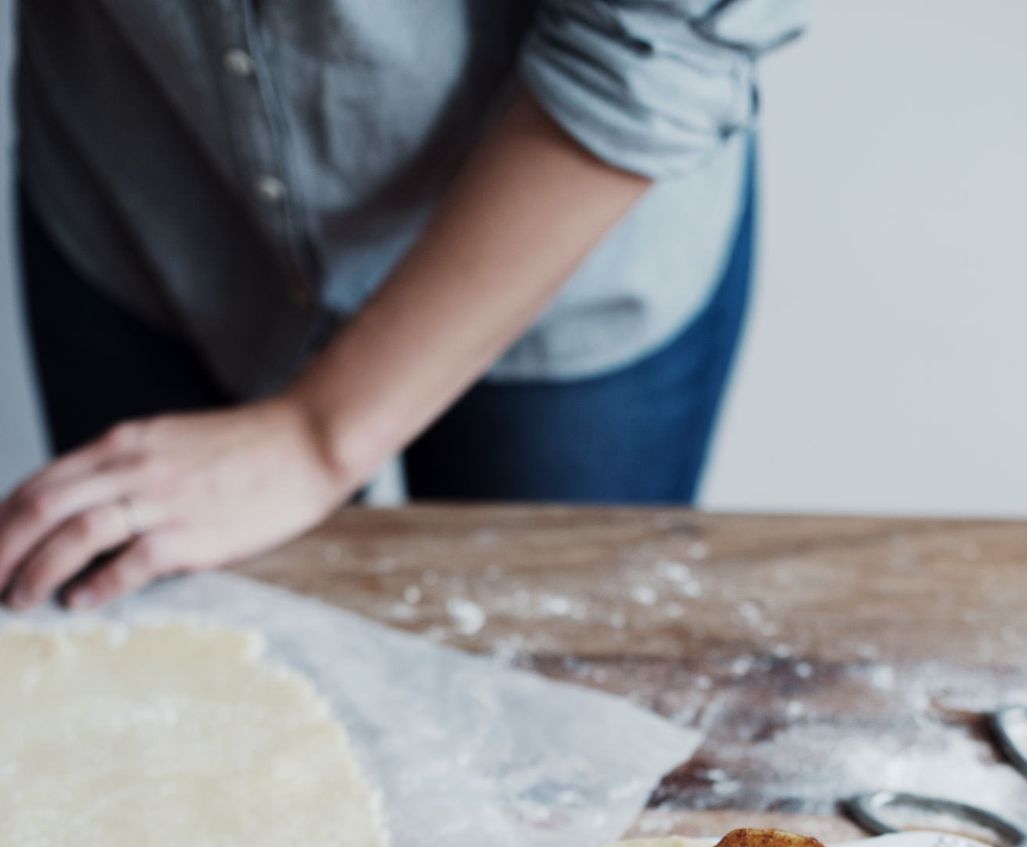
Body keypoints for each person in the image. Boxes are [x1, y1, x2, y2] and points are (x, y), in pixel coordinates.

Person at [0, 2, 805, 612]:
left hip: (564, 249)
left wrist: (318, 436)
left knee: (549, 687)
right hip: (144, 186)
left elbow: (656, 35)